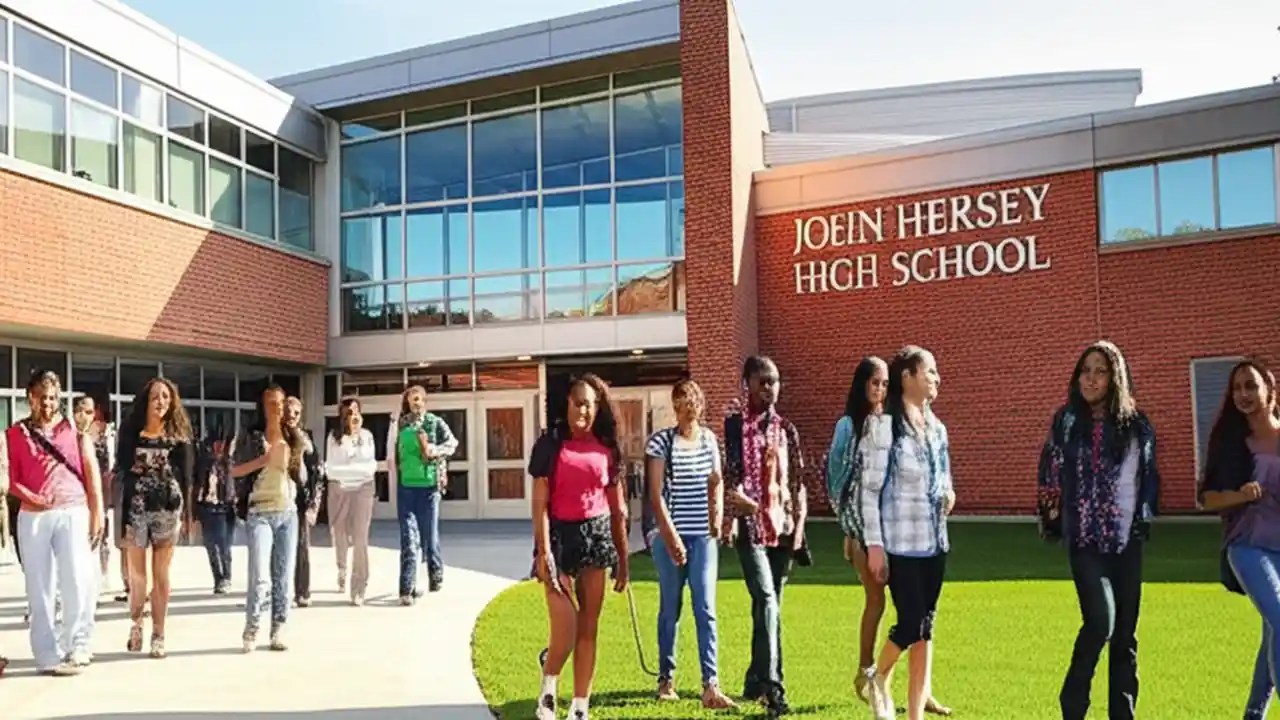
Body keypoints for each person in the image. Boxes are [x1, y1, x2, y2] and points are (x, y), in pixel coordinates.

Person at [1037, 340, 1159, 720]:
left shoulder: (1137, 424)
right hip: (1085, 539)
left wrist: (1145, 515)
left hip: (1126, 540)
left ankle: (1123, 714)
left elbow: (1148, 476)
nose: (1091, 378)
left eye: (1100, 370)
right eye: (1085, 370)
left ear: (1115, 377)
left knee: (1125, 635)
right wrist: (1052, 512)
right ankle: (1073, 707)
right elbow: (1050, 469)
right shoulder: (1067, 420)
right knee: (1100, 623)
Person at [859, 346, 955, 720]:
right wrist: (875, 546)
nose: (936, 378)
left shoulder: (937, 428)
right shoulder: (883, 425)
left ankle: (914, 713)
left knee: (924, 630)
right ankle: (876, 676)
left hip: (934, 542)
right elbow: (869, 491)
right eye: (929, 371)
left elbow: (944, 476)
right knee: (911, 621)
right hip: (900, 545)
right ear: (908, 377)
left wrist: (948, 493)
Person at [530, 373, 631, 720]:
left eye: (588, 404)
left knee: (588, 628)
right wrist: (543, 551)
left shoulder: (608, 449)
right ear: (567, 404)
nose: (582, 410)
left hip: (597, 537)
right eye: (577, 403)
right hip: (559, 539)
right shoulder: (550, 445)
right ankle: (549, 682)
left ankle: (579, 707)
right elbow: (540, 504)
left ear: (597, 406)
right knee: (566, 626)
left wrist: (623, 558)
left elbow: (618, 509)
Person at [721, 355, 807, 717]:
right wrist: (736, 502)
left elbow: (799, 481)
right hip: (750, 529)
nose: (769, 388)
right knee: (767, 600)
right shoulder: (733, 426)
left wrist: (800, 527)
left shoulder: (787, 429)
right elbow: (730, 475)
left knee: (768, 609)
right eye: (762, 382)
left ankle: (755, 680)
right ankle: (775, 689)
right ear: (747, 385)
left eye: (774, 381)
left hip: (783, 530)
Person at [5, 369, 104, 675]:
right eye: (40, 397)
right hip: (33, 517)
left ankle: (79, 645)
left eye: (52, 397)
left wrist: (97, 513)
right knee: (40, 588)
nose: (47, 403)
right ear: (29, 398)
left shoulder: (75, 434)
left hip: (73, 510)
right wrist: (31, 496)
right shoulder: (13, 435)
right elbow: (6, 479)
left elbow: (92, 476)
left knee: (77, 580)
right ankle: (47, 654)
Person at [645, 379, 736, 709]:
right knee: (671, 607)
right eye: (683, 400)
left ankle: (710, 685)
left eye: (695, 399)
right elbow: (655, 496)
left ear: (702, 404)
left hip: (701, 537)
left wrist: (717, 522)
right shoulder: (660, 443)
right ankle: (666, 679)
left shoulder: (710, 440)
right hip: (670, 536)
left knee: (705, 608)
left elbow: (718, 483)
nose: (690, 405)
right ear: (675, 406)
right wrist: (671, 539)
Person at [1199, 359, 1280, 720]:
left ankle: (1253, 713)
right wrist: (1242, 495)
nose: (1243, 394)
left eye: (1250, 386)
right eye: (1237, 388)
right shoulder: (1232, 443)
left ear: (1270, 390)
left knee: (1273, 633)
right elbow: (1208, 498)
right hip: (1247, 545)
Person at [825, 357, 892, 701]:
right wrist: (848, 531)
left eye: (884, 383)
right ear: (862, 384)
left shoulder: (891, 423)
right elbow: (835, 479)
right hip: (861, 528)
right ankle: (865, 672)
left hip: (893, 526)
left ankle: (912, 684)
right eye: (874, 382)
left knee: (911, 608)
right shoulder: (848, 425)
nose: (879, 390)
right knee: (876, 600)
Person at [116, 376, 194, 660]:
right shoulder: (130, 433)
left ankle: (159, 634)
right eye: (155, 397)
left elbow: (188, 479)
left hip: (168, 510)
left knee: (161, 576)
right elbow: (121, 474)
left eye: (165, 396)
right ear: (146, 402)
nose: (160, 401)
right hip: (135, 510)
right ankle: (136, 622)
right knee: (138, 576)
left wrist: (190, 517)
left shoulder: (180, 438)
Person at [232, 383, 305, 652]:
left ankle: (278, 628)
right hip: (259, 512)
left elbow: (303, 479)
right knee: (260, 575)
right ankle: (252, 627)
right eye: (270, 403)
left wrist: (297, 451)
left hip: (287, 512)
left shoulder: (293, 437)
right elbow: (234, 471)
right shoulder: (251, 437)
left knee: (283, 576)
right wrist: (264, 459)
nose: (276, 408)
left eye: (280, 403)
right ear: (262, 407)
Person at [388, 385, 458, 604]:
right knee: (409, 540)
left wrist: (433, 451)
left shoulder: (435, 423)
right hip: (406, 487)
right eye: (411, 400)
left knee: (429, 536)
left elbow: (452, 443)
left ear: (424, 401)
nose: (415, 403)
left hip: (429, 488)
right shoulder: (401, 424)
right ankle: (406, 589)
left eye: (418, 399)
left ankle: (435, 572)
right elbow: (394, 452)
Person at [324, 396, 377, 606]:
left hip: (363, 489)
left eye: (356, 411)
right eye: (349, 413)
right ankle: (342, 568)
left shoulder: (367, 437)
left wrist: (351, 467)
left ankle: (359, 587)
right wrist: (351, 468)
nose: (353, 416)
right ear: (342, 417)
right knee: (340, 535)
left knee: (360, 539)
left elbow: (370, 466)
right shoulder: (333, 438)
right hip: (339, 490)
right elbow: (331, 468)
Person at [285, 396, 324, 608]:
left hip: (300, 498)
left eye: (296, 413)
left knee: (302, 548)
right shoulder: (276, 435)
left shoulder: (306, 437)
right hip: (280, 497)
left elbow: (318, 470)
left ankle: (303, 592)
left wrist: (314, 505)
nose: (291, 416)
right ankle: (279, 591)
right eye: (288, 412)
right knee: (280, 549)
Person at [192, 426, 237, 594]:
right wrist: (194, 512)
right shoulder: (204, 462)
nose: (218, 447)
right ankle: (218, 578)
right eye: (215, 443)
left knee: (225, 545)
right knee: (211, 546)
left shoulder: (230, 462)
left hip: (226, 508)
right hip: (207, 508)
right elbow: (197, 486)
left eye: (221, 443)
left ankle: (226, 577)